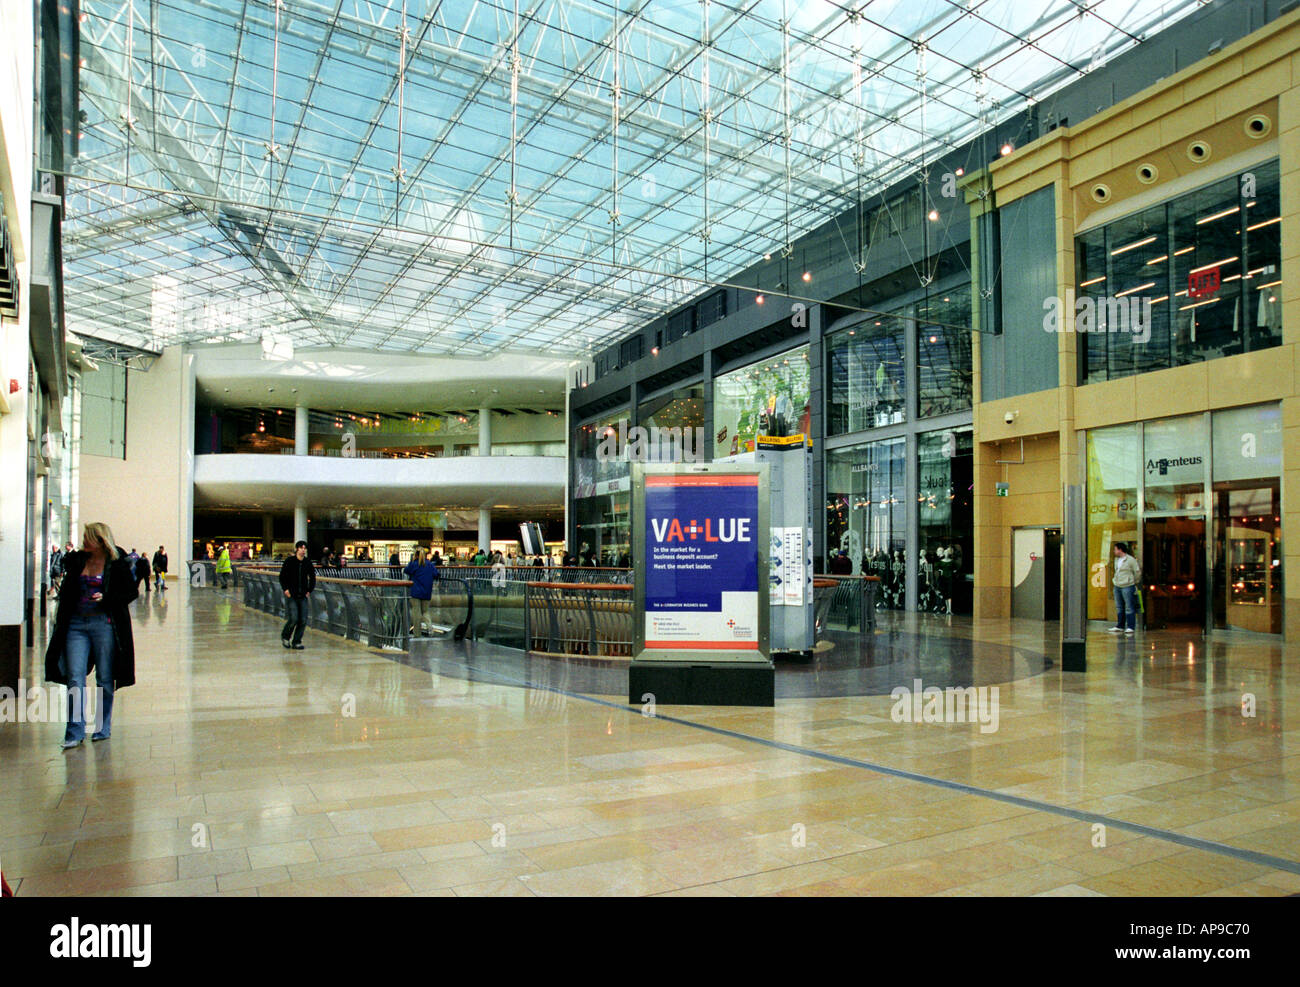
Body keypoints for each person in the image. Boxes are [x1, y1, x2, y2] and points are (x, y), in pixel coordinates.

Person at [44, 522, 138, 748]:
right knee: (75, 677)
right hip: (75, 625)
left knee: (105, 678)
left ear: (100, 540)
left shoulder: (116, 563)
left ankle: (102, 726)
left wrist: (106, 599)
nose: (84, 541)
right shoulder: (77, 561)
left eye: (88, 537)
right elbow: (67, 592)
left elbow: (130, 592)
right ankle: (74, 730)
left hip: (104, 625)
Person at [279, 540, 316, 650]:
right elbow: (282, 576)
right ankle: (285, 636)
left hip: (303, 595)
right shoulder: (290, 561)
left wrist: (309, 589)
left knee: (303, 620)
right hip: (292, 595)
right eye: (301, 548)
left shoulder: (307, 563)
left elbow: (312, 577)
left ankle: (297, 641)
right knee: (294, 618)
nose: (303, 550)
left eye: (305, 548)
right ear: (297, 549)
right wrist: (285, 589)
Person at [1110, 542, 1141, 635]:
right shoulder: (1116, 560)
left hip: (1127, 586)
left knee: (1129, 606)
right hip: (1117, 585)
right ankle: (1120, 625)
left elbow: (1137, 572)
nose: (1114, 551)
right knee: (1119, 606)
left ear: (1120, 550)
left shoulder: (1130, 560)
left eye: (1115, 549)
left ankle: (1131, 626)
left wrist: (1132, 581)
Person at [405, 549, 436, 636]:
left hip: (415, 591)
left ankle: (417, 634)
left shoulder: (414, 564)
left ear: (416, 555)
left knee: (416, 613)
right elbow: (436, 574)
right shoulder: (430, 564)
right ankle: (430, 629)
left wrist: (412, 561)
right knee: (425, 611)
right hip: (427, 591)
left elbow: (406, 570)